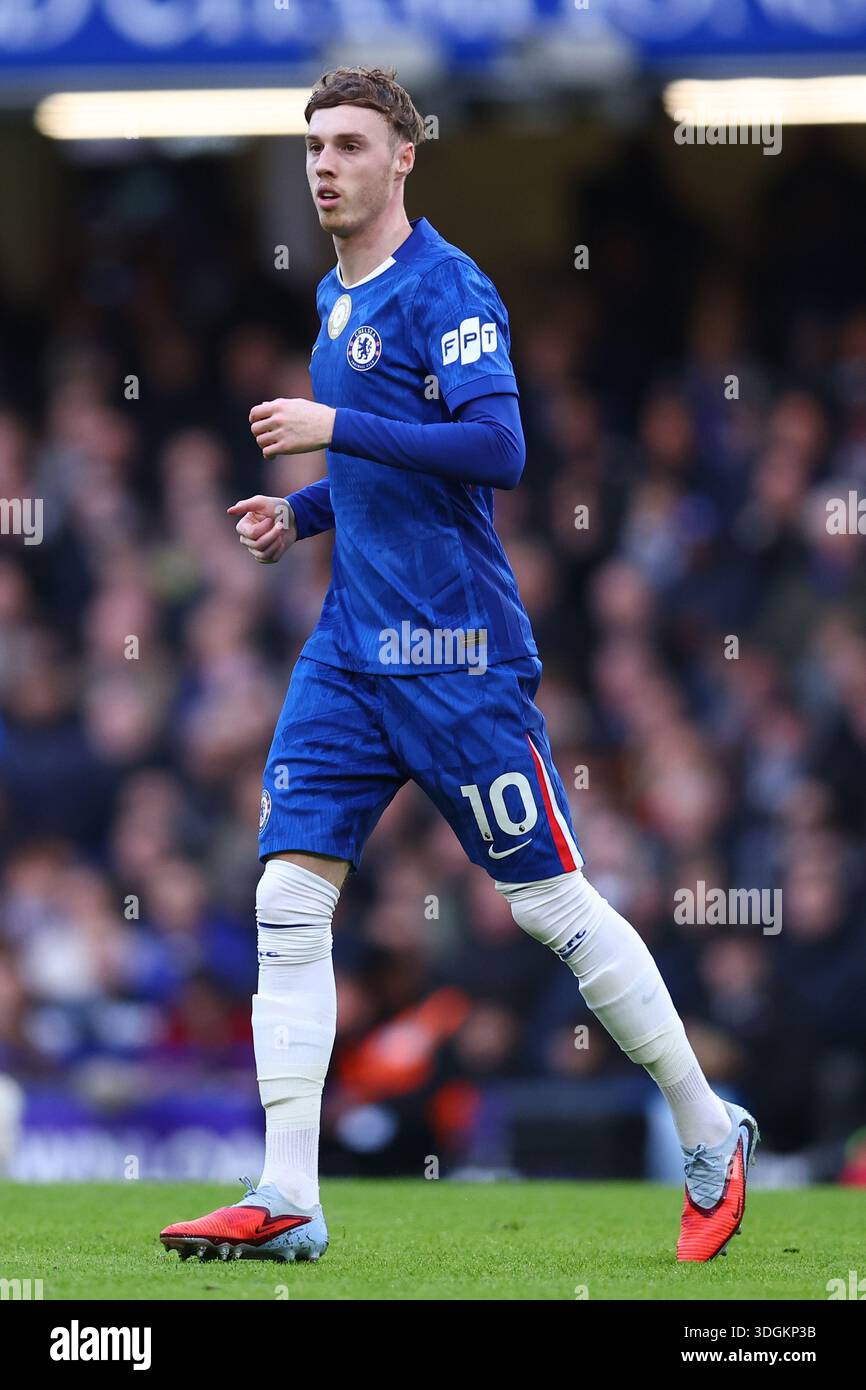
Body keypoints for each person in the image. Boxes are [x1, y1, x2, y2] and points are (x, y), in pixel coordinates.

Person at [159, 66, 757, 1266]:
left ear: (403, 158)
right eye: (313, 146)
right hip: (350, 653)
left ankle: (707, 1127)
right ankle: (287, 1193)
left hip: (454, 655)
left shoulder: (448, 286)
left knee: (546, 902)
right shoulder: (337, 296)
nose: (323, 164)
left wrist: (331, 431)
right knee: (286, 895)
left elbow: (496, 446)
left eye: (347, 145)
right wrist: (307, 514)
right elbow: (396, 471)